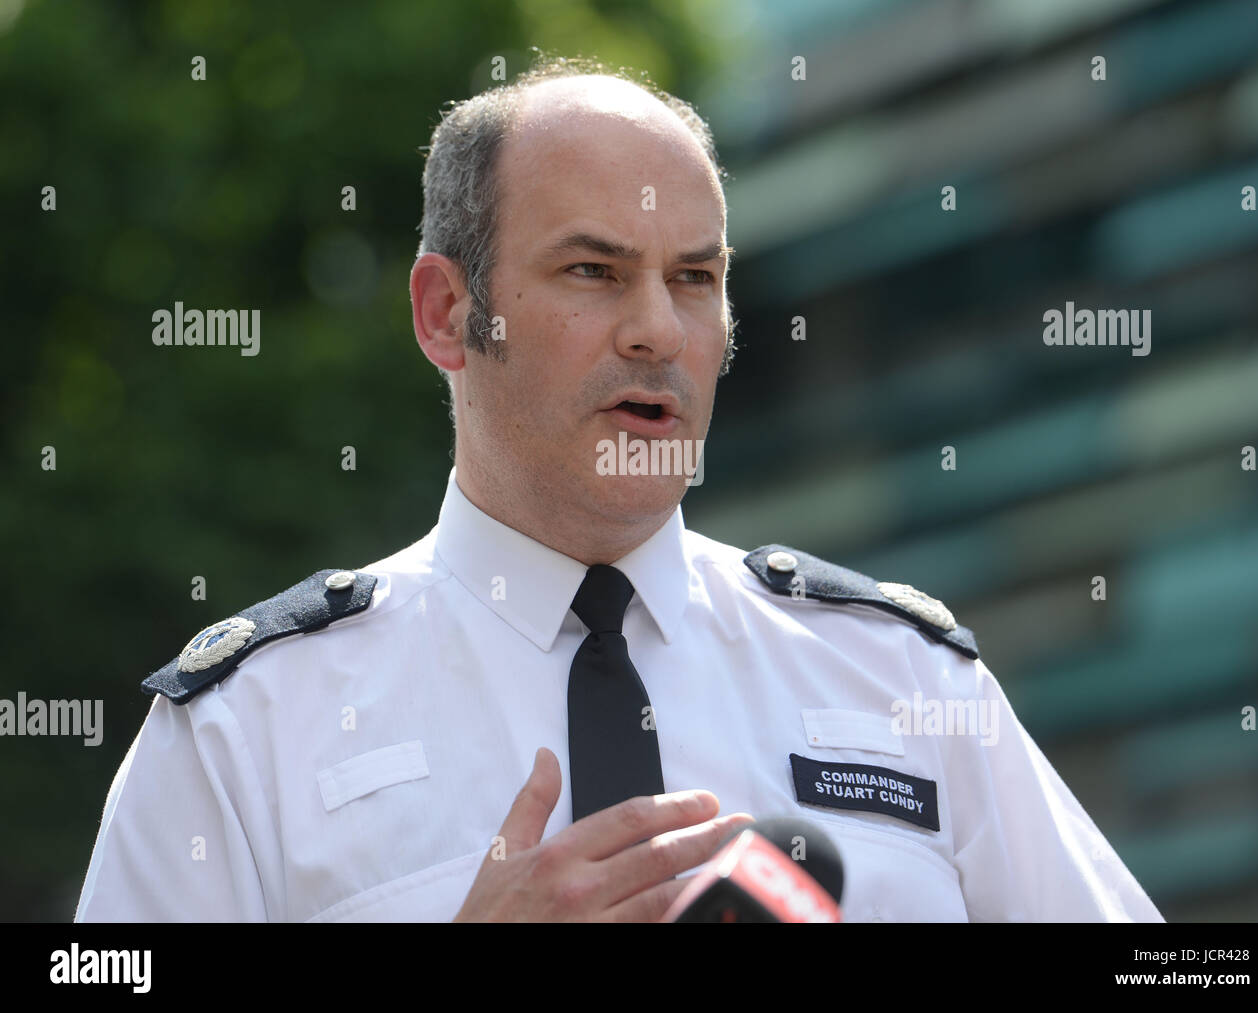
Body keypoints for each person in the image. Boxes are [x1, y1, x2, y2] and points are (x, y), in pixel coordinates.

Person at [75, 57, 1163, 923]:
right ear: (448, 313)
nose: (657, 330)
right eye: (592, 271)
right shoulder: (246, 731)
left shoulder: (902, 678)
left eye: (695, 278)